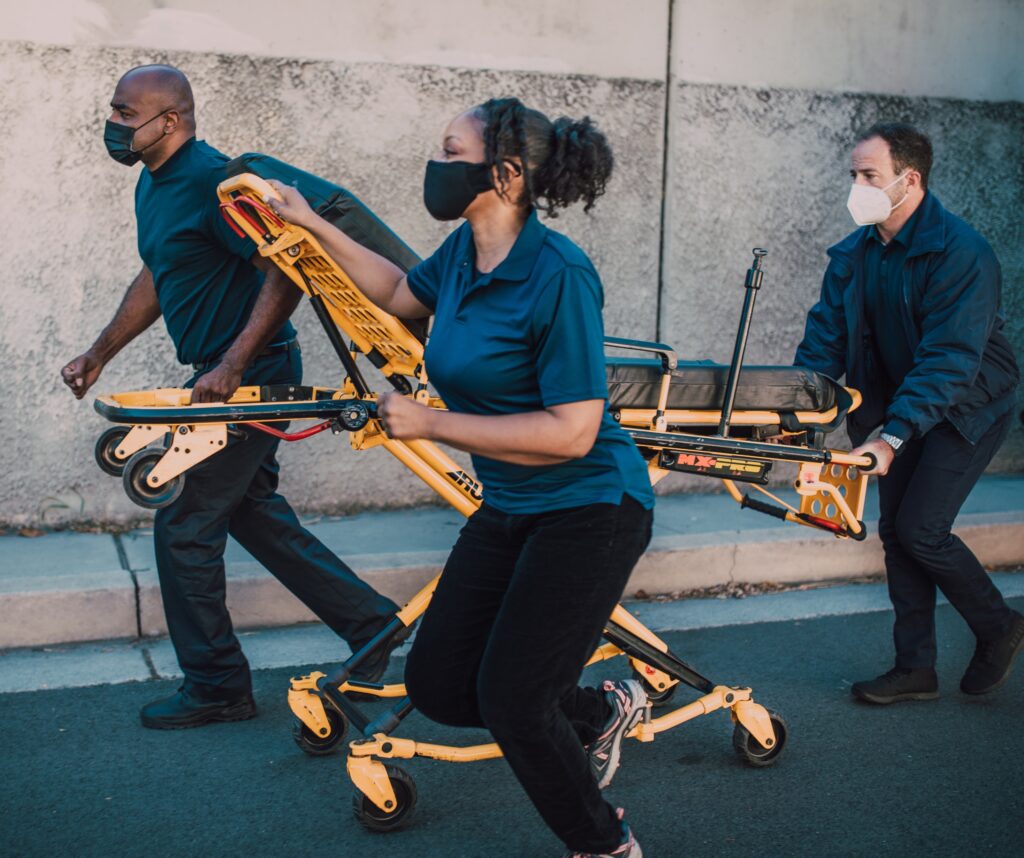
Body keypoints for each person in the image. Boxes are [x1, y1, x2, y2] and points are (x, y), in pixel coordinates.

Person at [268, 98, 653, 857]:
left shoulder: (559, 275)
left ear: (504, 175)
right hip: (511, 504)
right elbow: (395, 292)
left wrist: (430, 421)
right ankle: (602, 710)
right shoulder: (464, 255)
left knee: (514, 700)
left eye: (451, 150)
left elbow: (574, 432)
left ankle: (604, 843)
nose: (436, 165)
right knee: (442, 687)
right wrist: (310, 222)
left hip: (591, 507)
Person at [62, 64, 404, 729]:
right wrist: (100, 352)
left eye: (126, 114)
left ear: (173, 120)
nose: (113, 124)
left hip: (251, 379)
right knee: (251, 513)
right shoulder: (154, 186)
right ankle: (370, 624)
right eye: (113, 110)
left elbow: (287, 268)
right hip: (224, 376)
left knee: (185, 522)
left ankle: (217, 685)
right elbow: (160, 275)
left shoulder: (212, 182)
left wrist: (233, 363)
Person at [795, 122, 1021, 705]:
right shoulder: (855, 253)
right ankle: (914, 667)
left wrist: (892, 437)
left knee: (922, 527)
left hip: (969, 404)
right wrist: (789, 412)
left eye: (868, 175)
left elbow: (950, 360)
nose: (856, 186)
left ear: (908, 179)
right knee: (898, 533)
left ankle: (998, 625)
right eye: (853, 175)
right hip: (901, 406)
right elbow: (824, 342)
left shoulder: (962, 253)